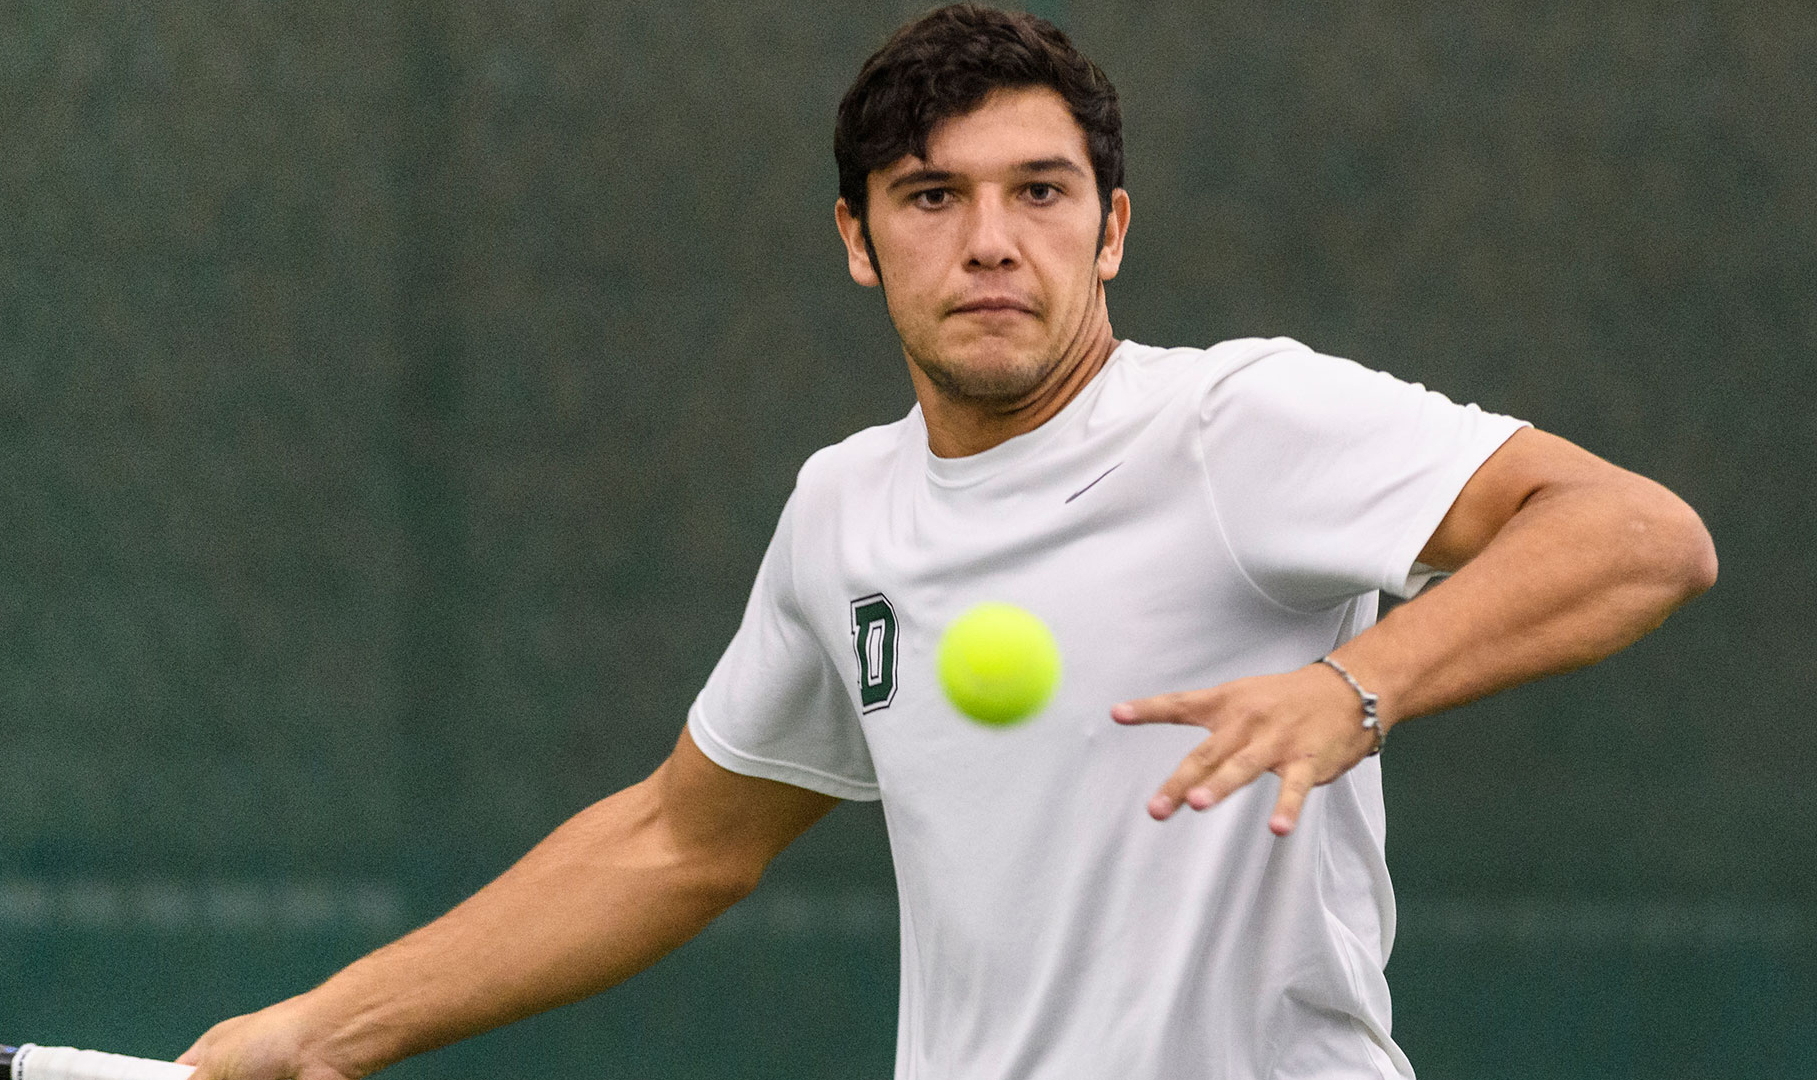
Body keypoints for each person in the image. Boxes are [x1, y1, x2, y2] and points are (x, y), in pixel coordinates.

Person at [181, 6, 1716, 1079]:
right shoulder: (845, 509)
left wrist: (1352, 687)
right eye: (933, 196)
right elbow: (678, 839)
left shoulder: (1238, 424)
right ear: (859, 240)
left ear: (1111, 228)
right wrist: (326, 1026)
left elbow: (1636, 536)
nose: (991, 239)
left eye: (1039, 193)